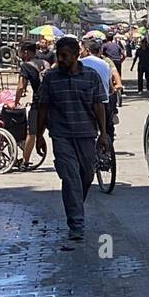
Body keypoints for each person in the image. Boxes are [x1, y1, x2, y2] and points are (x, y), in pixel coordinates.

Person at [35, 37, 109, 244]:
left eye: (65, 56)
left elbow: (98, 106)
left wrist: (103, 133)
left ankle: (75, 204)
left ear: (77, 55)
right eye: (59, 56)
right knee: (70, 178)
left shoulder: (91, 76)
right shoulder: (51, 78)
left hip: (86, 134)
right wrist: (39, 135)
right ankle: (76, 224)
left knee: (86, 175)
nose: (61, 59)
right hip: (61, 135)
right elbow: (43, 107)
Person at [13, 42, 46, 170]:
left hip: (38, 103)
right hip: (53, 103)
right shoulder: (46, 63)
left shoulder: (26, 66)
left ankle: (25, 161)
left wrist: (15, 102)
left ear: (26, 52)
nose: (20, 54)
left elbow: (21, 86)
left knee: (31, 132)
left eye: (21, 52)